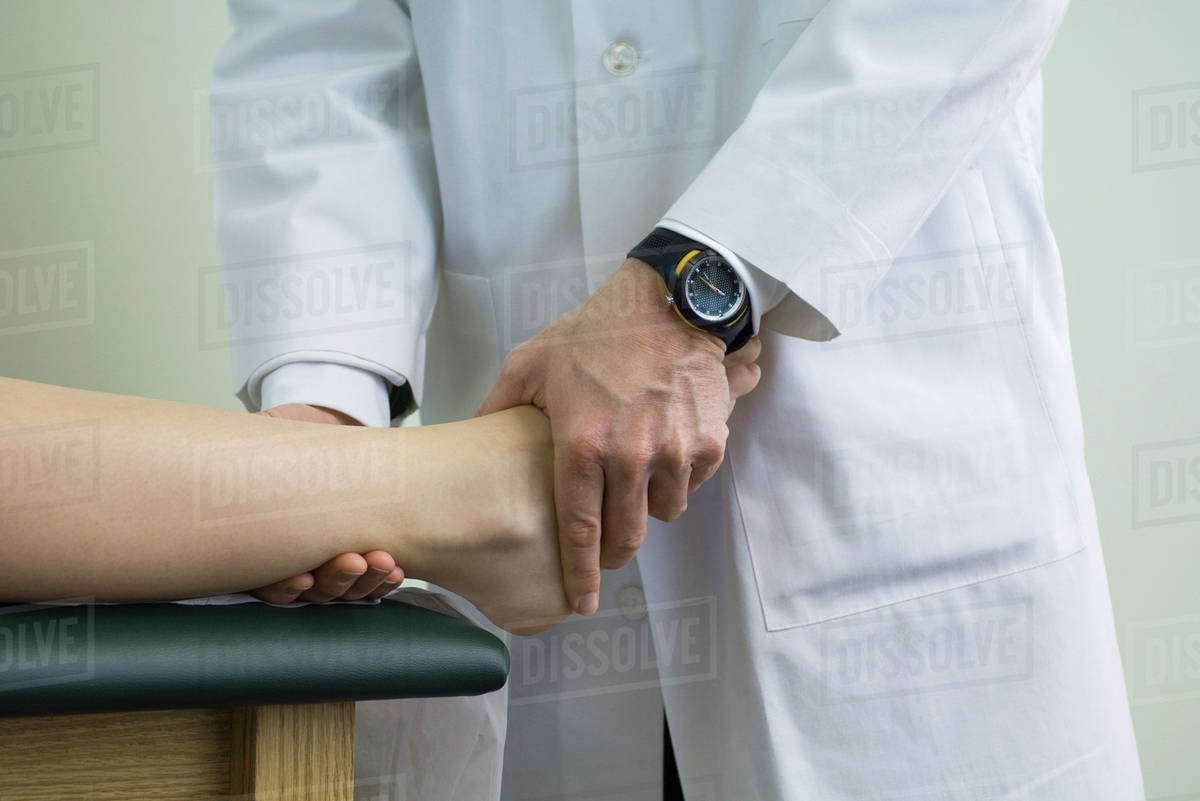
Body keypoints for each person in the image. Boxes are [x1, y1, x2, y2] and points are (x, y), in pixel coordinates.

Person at [209, 1, 1145, 800]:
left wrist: (693, 281)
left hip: (868, 458)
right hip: (526, 504)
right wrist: (323, 416)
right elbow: (323, 56)